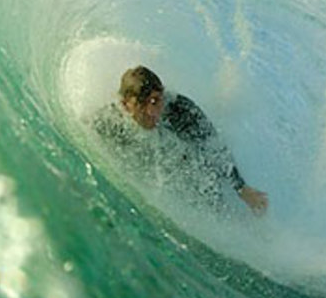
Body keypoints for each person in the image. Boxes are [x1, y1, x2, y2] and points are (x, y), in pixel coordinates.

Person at [92, 66, 268, 216]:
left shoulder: (179, 110)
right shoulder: (111, 120)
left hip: (188, 161)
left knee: (209, 191)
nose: (153, 112)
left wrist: (241, 188)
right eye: (144, 105)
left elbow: (214, 146)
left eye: (156, 101)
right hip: (149, 161)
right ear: (126, 105)